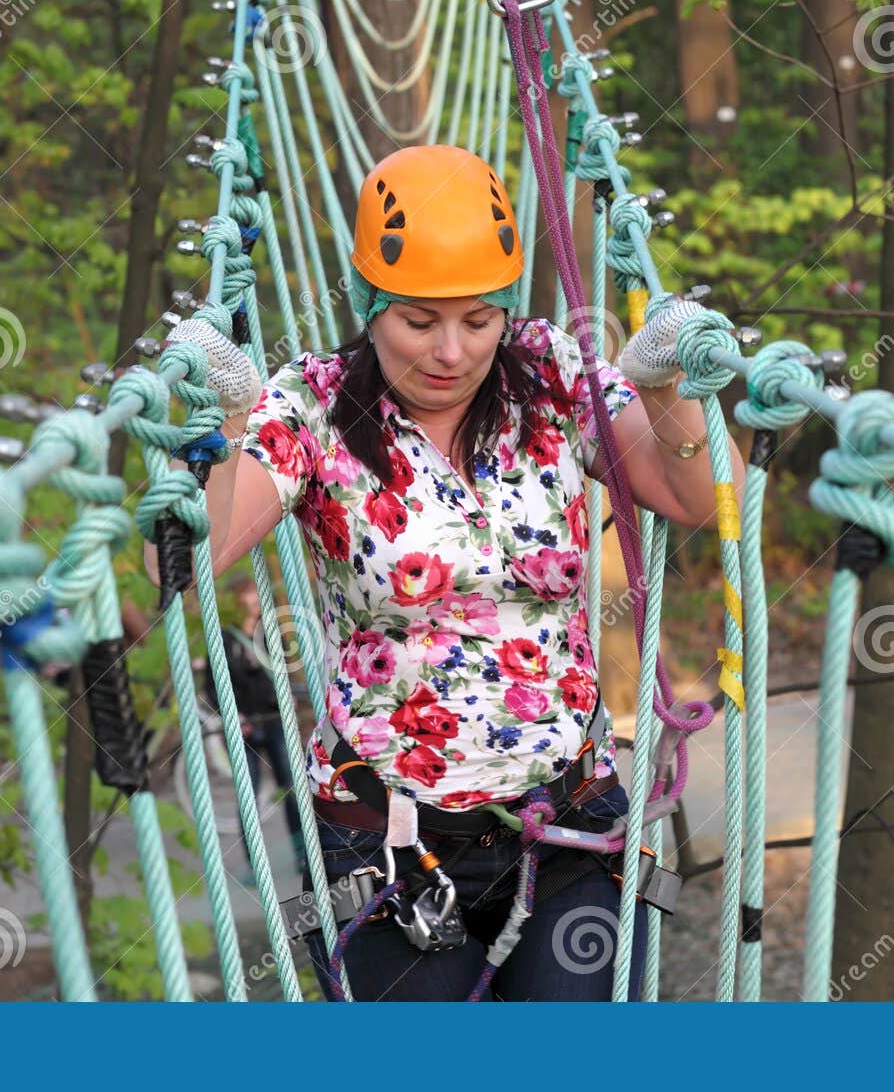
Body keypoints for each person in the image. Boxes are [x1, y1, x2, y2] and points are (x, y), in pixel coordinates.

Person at [151, 143, 745, 1001]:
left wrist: (664, 392)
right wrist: (227, 422)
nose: (453, 351)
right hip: (388, 836)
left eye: (477, 317)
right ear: (367, 304)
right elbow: (181, 554)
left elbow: (687, 494)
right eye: (418, 320)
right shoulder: (314, 404)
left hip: (567, 815)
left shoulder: (548, 372)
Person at [197, 571, 307, 875]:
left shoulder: (269, 633)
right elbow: (213, 688)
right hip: (243, 724)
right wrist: (234, 717)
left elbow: (285, 670)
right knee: (249, 793)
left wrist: (287, 697)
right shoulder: (223, 639)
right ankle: (253, 862)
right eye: (248, 596)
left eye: (256, 596)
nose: (255, 602)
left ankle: (302, 852)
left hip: (274, 719)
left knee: (291, 786)